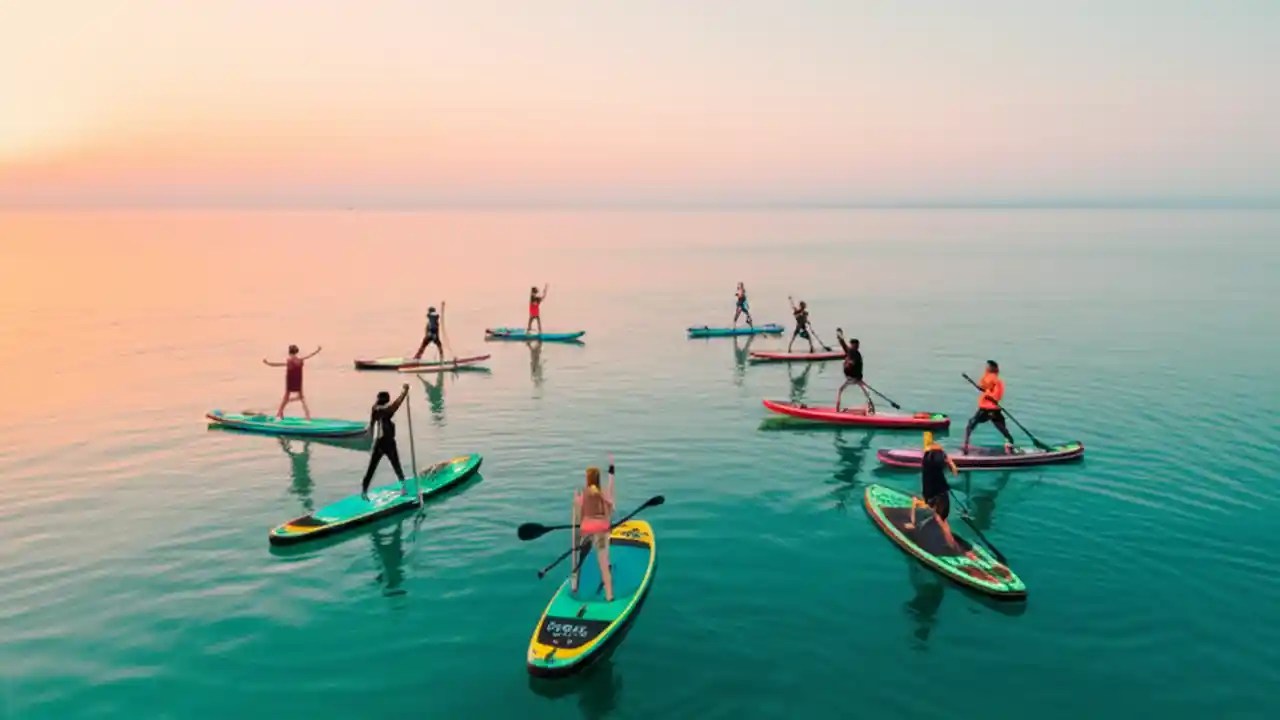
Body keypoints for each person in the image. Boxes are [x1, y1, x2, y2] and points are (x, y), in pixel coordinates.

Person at [905, 432, 961, 551]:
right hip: (941, 494)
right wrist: (951, 465)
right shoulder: (939, 458)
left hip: (933, 495)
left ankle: (954, 547)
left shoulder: (927, 460)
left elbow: (930, 450)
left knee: (938, 519)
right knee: (941, 519)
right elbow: (951, 466)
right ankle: (952, 545)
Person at [572, 456, 616, 602]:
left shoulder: (582, 494)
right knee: (603, 564)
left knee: (582, 554)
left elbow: (578, 516)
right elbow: (610, 512)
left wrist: (576, 501)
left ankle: (575, 584)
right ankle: (609, 596)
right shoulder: (603, 494)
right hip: (602, 531)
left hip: (586, 531)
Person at [361, 384, 410, 500]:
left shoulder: (379, 410)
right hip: (383, 444)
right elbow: (394, 406)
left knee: (396, 465)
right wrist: (404, 392)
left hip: (386, 442)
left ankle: (403, 486)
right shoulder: (380, 410)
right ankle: (364, 491)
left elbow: (373, 425)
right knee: (373, 467)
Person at [962, 360, 1016, 453]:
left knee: (970, 425)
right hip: (993, 409)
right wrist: (971, 381)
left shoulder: (996, 381)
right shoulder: (988, 377)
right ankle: (1010, 442)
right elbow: (983, 387)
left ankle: (965, 445)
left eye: (988, 367)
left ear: (993, 368)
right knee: (1001, 426)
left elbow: (997, 394)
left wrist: (991, 397)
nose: (986, 368)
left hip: (987, 408)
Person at [263, 344, 321, 419]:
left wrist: (267, 363)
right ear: (296, 352)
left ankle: (279, 413)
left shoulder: (289, 361)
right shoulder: (300, 360)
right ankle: (307, 415)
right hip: (298, 381)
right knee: (301, 397)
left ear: (289, 352)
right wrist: (318, 350)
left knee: (286, 397)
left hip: (290, 381)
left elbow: (276, 365)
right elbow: (310, 355)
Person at [834, 329, 874, 413]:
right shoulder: (851, 351)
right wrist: (840, 336)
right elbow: (844, 345)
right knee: (864, 391)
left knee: (841, 389)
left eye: (856, 345)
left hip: (854, 377)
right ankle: (871, 406)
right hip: (853, 377)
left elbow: (853, 363)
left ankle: (837, 408)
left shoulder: (856, 354)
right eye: (854, 345)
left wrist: (848, 363)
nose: (855, 347)